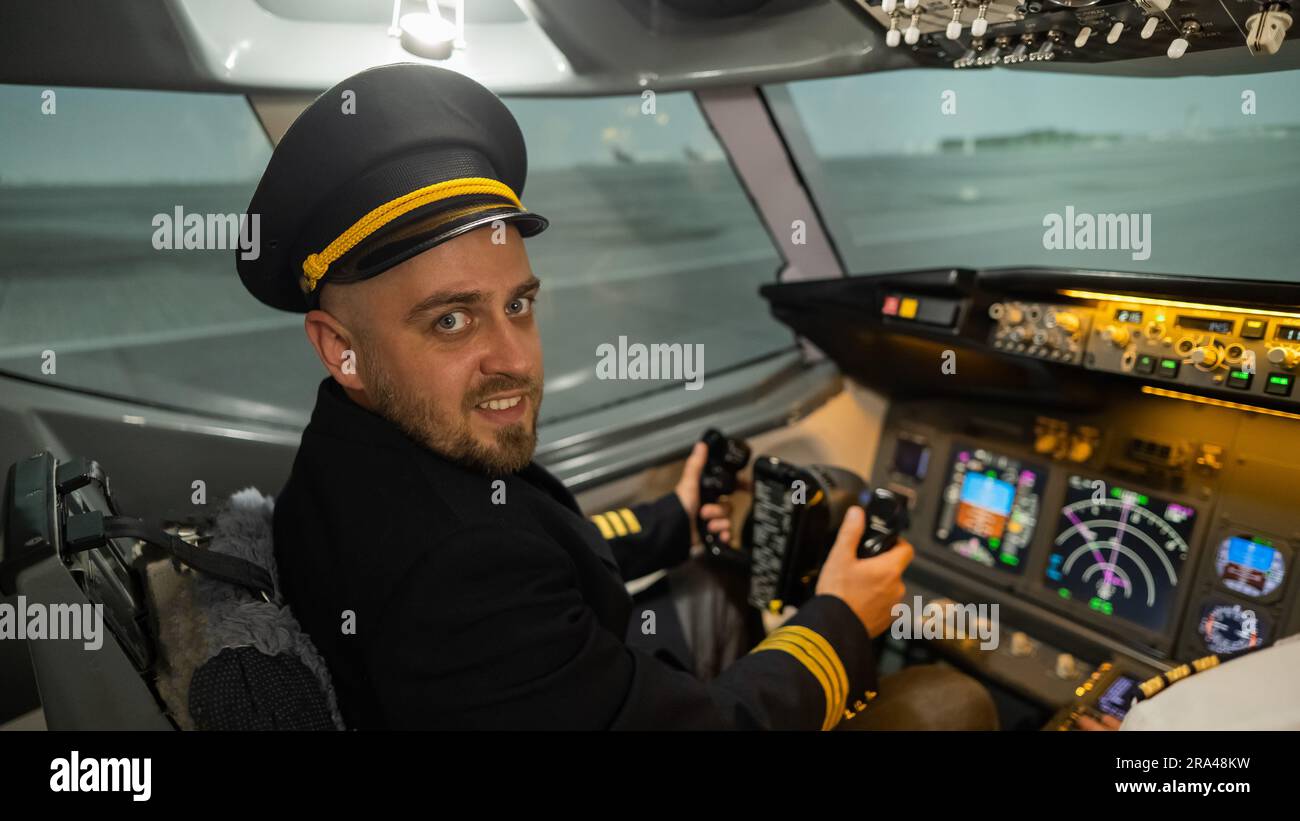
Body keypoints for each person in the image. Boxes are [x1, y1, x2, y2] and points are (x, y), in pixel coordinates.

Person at [236, 62, 914, 730]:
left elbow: (535, 551)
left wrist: (672, 518)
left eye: (518, 304)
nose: (514, 358)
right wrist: (842, 622)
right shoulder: (453, 577)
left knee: (725, 587)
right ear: (337, 347)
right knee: (944, 704)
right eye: (451, 319)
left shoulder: (346, 454)